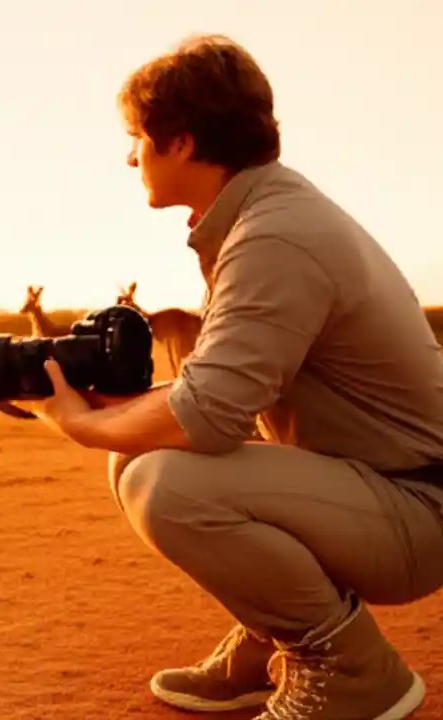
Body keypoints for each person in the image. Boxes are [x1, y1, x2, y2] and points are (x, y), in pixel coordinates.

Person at [22, 34, 443, 720]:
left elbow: (207, 420)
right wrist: (114, 412)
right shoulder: (260, 216)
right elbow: (221, 402)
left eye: (138, 138)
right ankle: (267, 641)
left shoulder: (275, 235)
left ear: (181, 142)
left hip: (417, 509)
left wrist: (83, 424)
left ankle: (348, 668)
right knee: (140, 452)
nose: (131, 156)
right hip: (376, 490)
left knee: (168, 483)